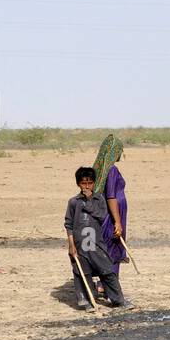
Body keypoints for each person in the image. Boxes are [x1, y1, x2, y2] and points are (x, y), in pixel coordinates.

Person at [65, 166, 128, 310]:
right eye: (83, 183)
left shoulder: (99, 199)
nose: (87, 186)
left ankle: (118, 300)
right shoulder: (73, 202)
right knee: (82, 272)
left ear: (94, 183)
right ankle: (87, 301)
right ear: (78, 184)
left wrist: (89, 202)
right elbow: (68, 223)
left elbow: (101, 215)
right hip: (80, 243)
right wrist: (71, 245)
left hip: (96, 242)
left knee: (106, 270)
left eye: (89, 183)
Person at [92, 133, 128, 267]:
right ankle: (107, 283)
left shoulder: (102, 169)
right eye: (120, 150)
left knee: (109, 245)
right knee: (113, 245)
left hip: (111, 212)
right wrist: (117, 221)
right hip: (113, 214)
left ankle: (107, 282)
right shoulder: (112, 170)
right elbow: (111, 196)